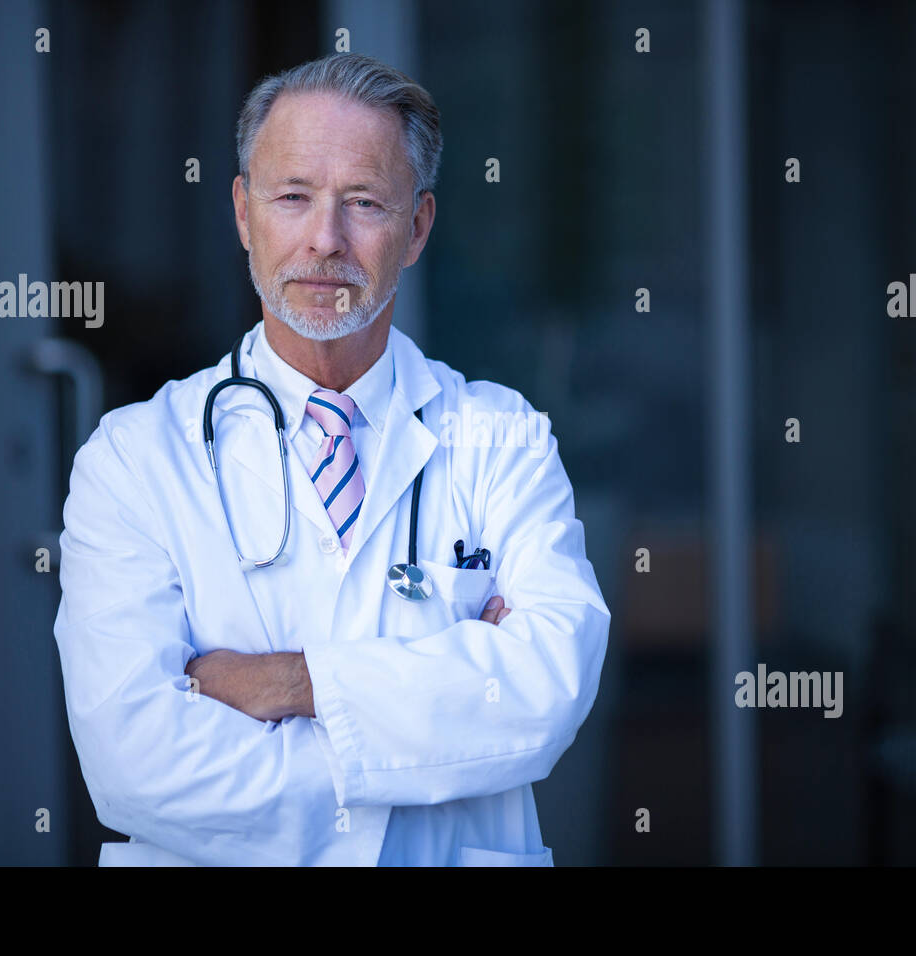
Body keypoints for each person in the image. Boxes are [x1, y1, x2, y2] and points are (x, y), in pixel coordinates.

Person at [53, 53, 610, 866]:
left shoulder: (503, 437)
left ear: (417, 228)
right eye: (293, 198)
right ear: (244, 214)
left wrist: (291, 684)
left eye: (364, 203)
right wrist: (433, 717)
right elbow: (135, 766)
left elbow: (547, 691)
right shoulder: (134, 460)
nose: (325, 240)